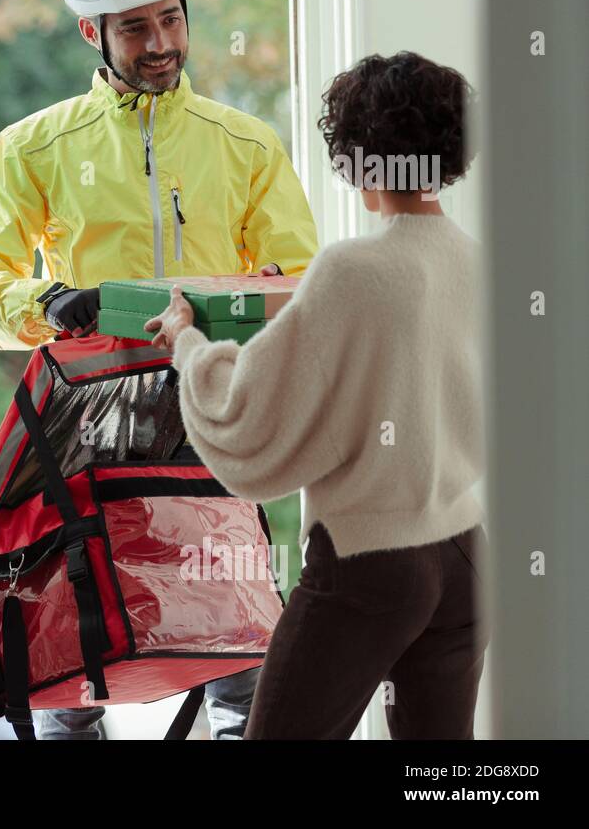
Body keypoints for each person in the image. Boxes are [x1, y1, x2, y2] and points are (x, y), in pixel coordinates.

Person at [0, 0, 319, 739]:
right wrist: (46, 301)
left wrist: (257, 300)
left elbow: (301, 291)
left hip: (213, 421)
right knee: (72, 677)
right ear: (92, 31)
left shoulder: (246, 145)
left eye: (171, 18)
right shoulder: (32, 149)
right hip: (89, 434)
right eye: (135, 27)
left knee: (241, 664)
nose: (160, 42)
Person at [147, 51, 486, 739]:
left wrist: (186, 340)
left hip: (373, 562)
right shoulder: (472, 258)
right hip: (466, 557)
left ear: (360, 161)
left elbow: (245, 408)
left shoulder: (352, 269)